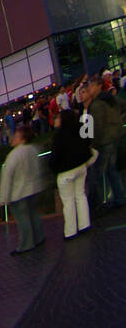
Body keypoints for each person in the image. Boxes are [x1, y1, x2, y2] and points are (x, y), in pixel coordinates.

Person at [0, 127, 47, 254]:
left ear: (22, 139)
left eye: (16, 136)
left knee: (22, 219)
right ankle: (39, 238)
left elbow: (7, 177)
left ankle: (26, 244)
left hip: (18, 193)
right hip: (33, 189)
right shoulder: (33, 150)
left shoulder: (13, 155)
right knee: (33, 214)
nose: (13, 138)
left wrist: (3, 198)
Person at [50, 108, 96, 239]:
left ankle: (70, 231)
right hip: (81, 167)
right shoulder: (80, 127)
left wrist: (53, 168)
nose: (56, 119)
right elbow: (88, 142)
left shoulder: (59, 135)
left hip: (66, 172)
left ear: (63, 119)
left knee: (68, 202)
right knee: (80, 195)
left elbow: (55, 156)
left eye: (58, 117)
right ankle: (84, 225)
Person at [81, 76, 125, 214]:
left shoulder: (97, 104)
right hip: (115, 136)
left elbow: (97, 126)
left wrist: (93, 144)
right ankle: (119, 196)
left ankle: (106, 200)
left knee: (102, 172)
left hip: (105, 140)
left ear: (98, 86)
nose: (89, 89)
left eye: (91, 87)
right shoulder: (109, 98)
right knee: (112, 169)